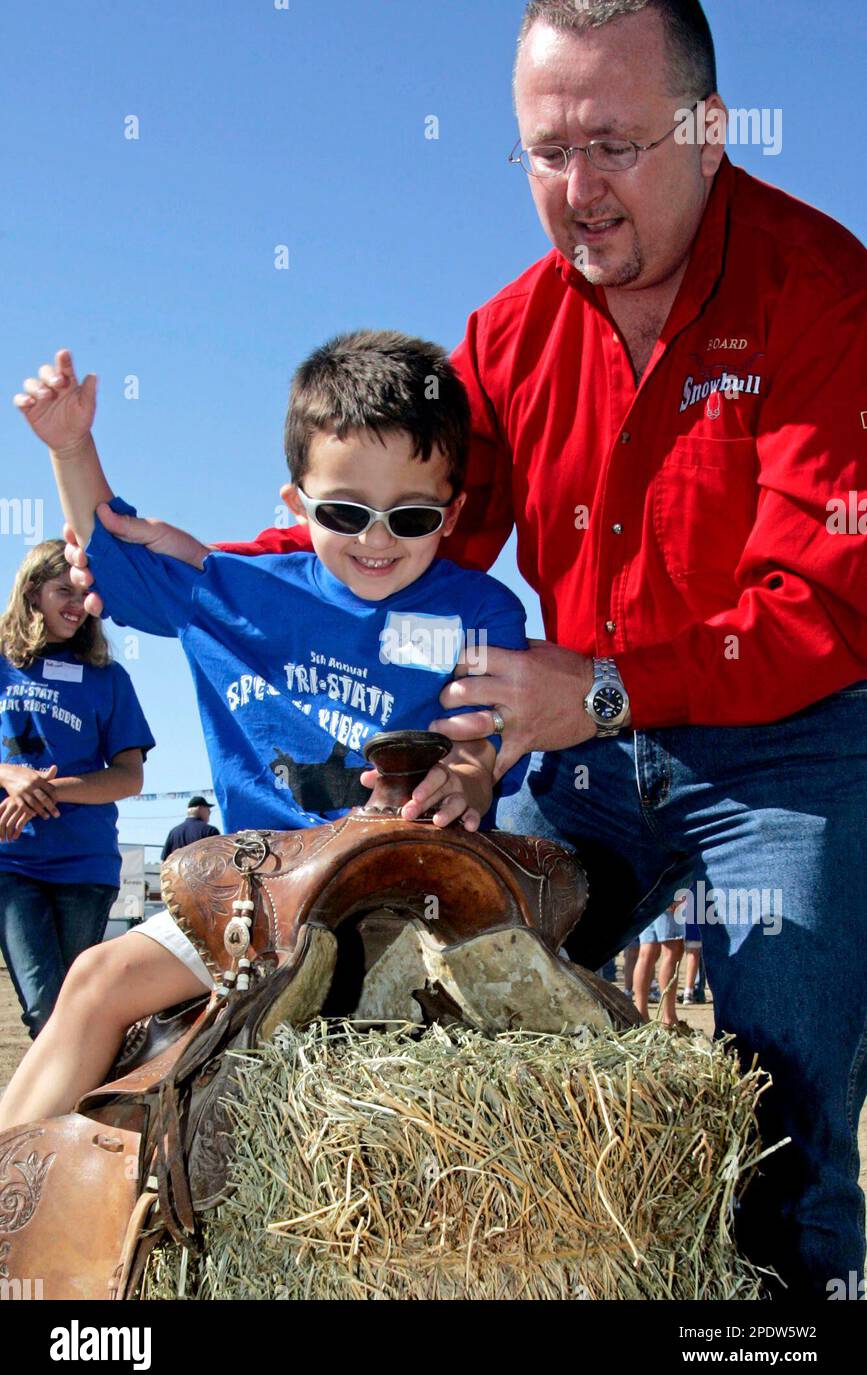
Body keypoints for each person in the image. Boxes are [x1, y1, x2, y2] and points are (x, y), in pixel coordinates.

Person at [73, 0, 867, 1302]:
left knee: (780, 1116)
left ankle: (798, 1292)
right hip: (577, 750)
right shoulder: (503, 336)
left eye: (612, 144)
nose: (577, 191)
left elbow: (825, 603)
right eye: (545, 153)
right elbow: (411, 546)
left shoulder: (825, 297)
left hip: (786, 753)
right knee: (436, 969)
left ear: (708, 131)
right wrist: (239, 568)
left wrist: (597, 688)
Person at [0, 330, 527, 1131]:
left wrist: (469, 770)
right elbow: (112, 561)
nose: (376, 541)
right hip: (256, 889)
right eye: (346, 513)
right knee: (93, 983)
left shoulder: (480, 611)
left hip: (394, 879)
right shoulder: (239, 589)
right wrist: (73, 446)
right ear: (295, 504)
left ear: (453, 511)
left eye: (410, 516)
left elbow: (481, 740)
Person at [0, 542, 153, 1037]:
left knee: (79, 1012)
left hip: (85, 866)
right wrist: (10, 776)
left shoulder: (108, 677)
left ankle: (77, 1108)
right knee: (44, 1007)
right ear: (31, 592)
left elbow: (129, 775)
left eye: (84, 591)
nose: (75, 602)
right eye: (62, 589)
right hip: (11, 864)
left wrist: (54, 790)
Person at [632, 902, 684, 1025]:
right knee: (672, 951)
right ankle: (669, 1018)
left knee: (647, 952)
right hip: (666, 894)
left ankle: (641, 1015)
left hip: (649, 896)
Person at [161, 795, 220, 860]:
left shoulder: (173, 832)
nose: (210, 812)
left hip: (179, 869)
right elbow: (219, 860)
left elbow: (164, 861)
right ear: (199, 808)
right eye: (208, 809)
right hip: (201, 870)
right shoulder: (210, 831)